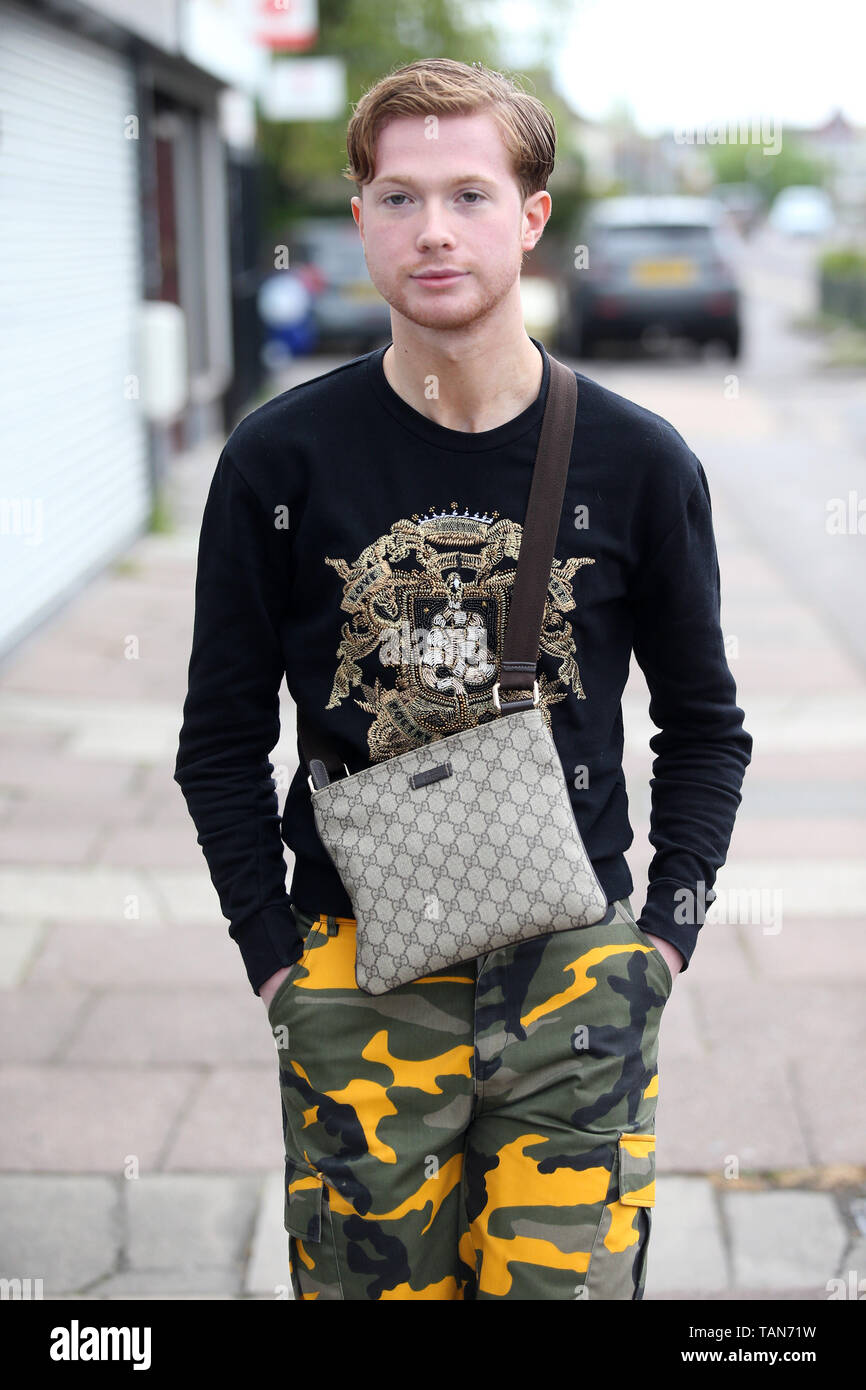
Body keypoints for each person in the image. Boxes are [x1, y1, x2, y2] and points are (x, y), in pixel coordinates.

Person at [174, 57, 752, 1301]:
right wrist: (274, 959)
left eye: (469, 194)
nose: (431, 230)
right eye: (396, 197)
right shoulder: (278, 462)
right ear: (359, 219)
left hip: (577, 981)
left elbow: (705, 728)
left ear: (532, 216)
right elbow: (218, 741)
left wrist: (663, 940)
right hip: (352, 975)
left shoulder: (639, 463)